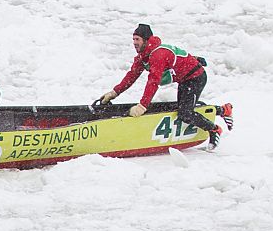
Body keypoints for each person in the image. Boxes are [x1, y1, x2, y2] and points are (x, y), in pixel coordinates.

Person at [93, 23, 230, 149]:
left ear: (146, 40)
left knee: (185, 113)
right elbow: (131, 76)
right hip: (184, 79)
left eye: (137, 39)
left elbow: (153, 82)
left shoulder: (157, 55)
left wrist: (142, 106)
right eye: (133, 39)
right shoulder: (143, 56)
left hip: (195, 77)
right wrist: (114, 93)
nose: (134, 43)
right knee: (181, 108)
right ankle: (223, 110)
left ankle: (214, 129)